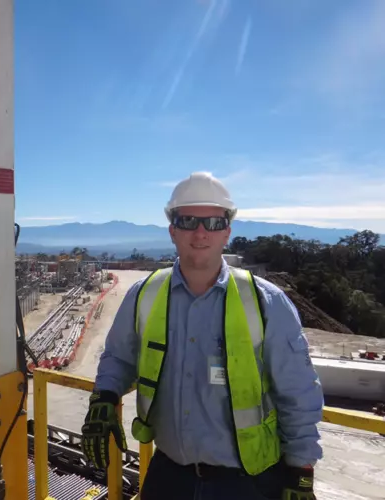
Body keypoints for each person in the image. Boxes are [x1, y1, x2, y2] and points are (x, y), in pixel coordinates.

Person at [81, 172, 324, 500]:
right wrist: (105, 396)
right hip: (169, 476)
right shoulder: (145, 295)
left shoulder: (266, 303)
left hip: (248, 483)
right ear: (172, 230)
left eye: (212, 222)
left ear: (227, 232)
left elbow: (298, 393)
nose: (199, 232)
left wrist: (301, 472)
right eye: (188, 220)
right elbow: (119, 357)